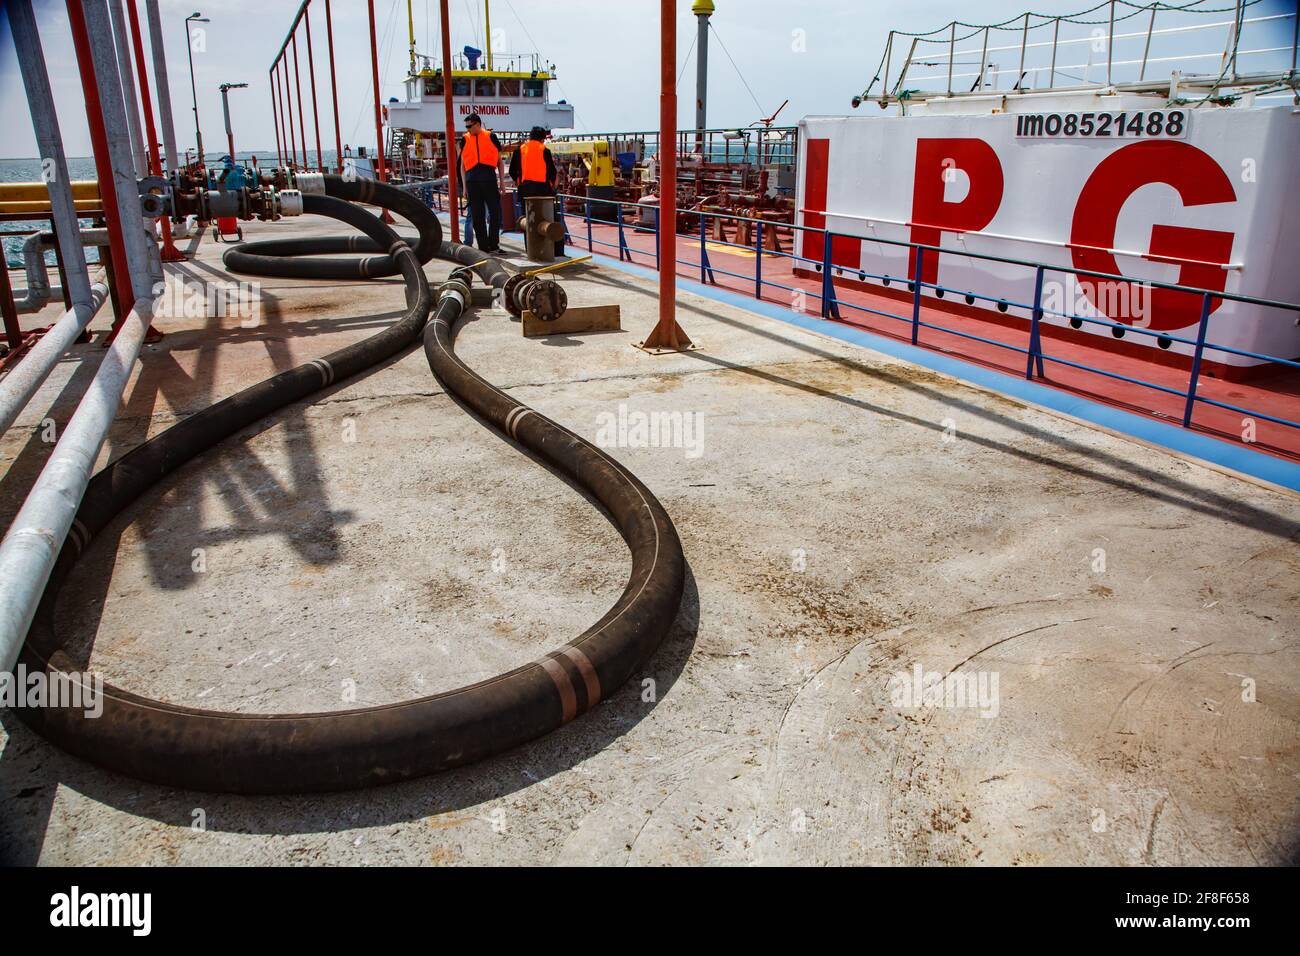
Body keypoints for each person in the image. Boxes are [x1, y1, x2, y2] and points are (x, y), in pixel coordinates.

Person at [509, 126, 562, 256]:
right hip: (544, 190)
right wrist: (552, 188)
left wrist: (520, 183)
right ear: (542, 139)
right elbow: (552, 172)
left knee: (529, 221)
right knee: (552, 219)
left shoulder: (519, 151)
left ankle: (531, 251)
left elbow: (512, 171)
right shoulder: (545, 150)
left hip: (525, 190)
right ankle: (557, 252)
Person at [457, 112, 503, 253]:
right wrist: (464, 187)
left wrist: (502, 183)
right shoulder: (464, 140)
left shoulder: (491, 137)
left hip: (489, 178)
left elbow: (500, 162)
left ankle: (494, 244)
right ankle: (483, 247)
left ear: (478, 124)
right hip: (472, 181)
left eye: (469, 126)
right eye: (466, 127)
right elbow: (462, 166)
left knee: (495, 213)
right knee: (477, 216)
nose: (467, 129)